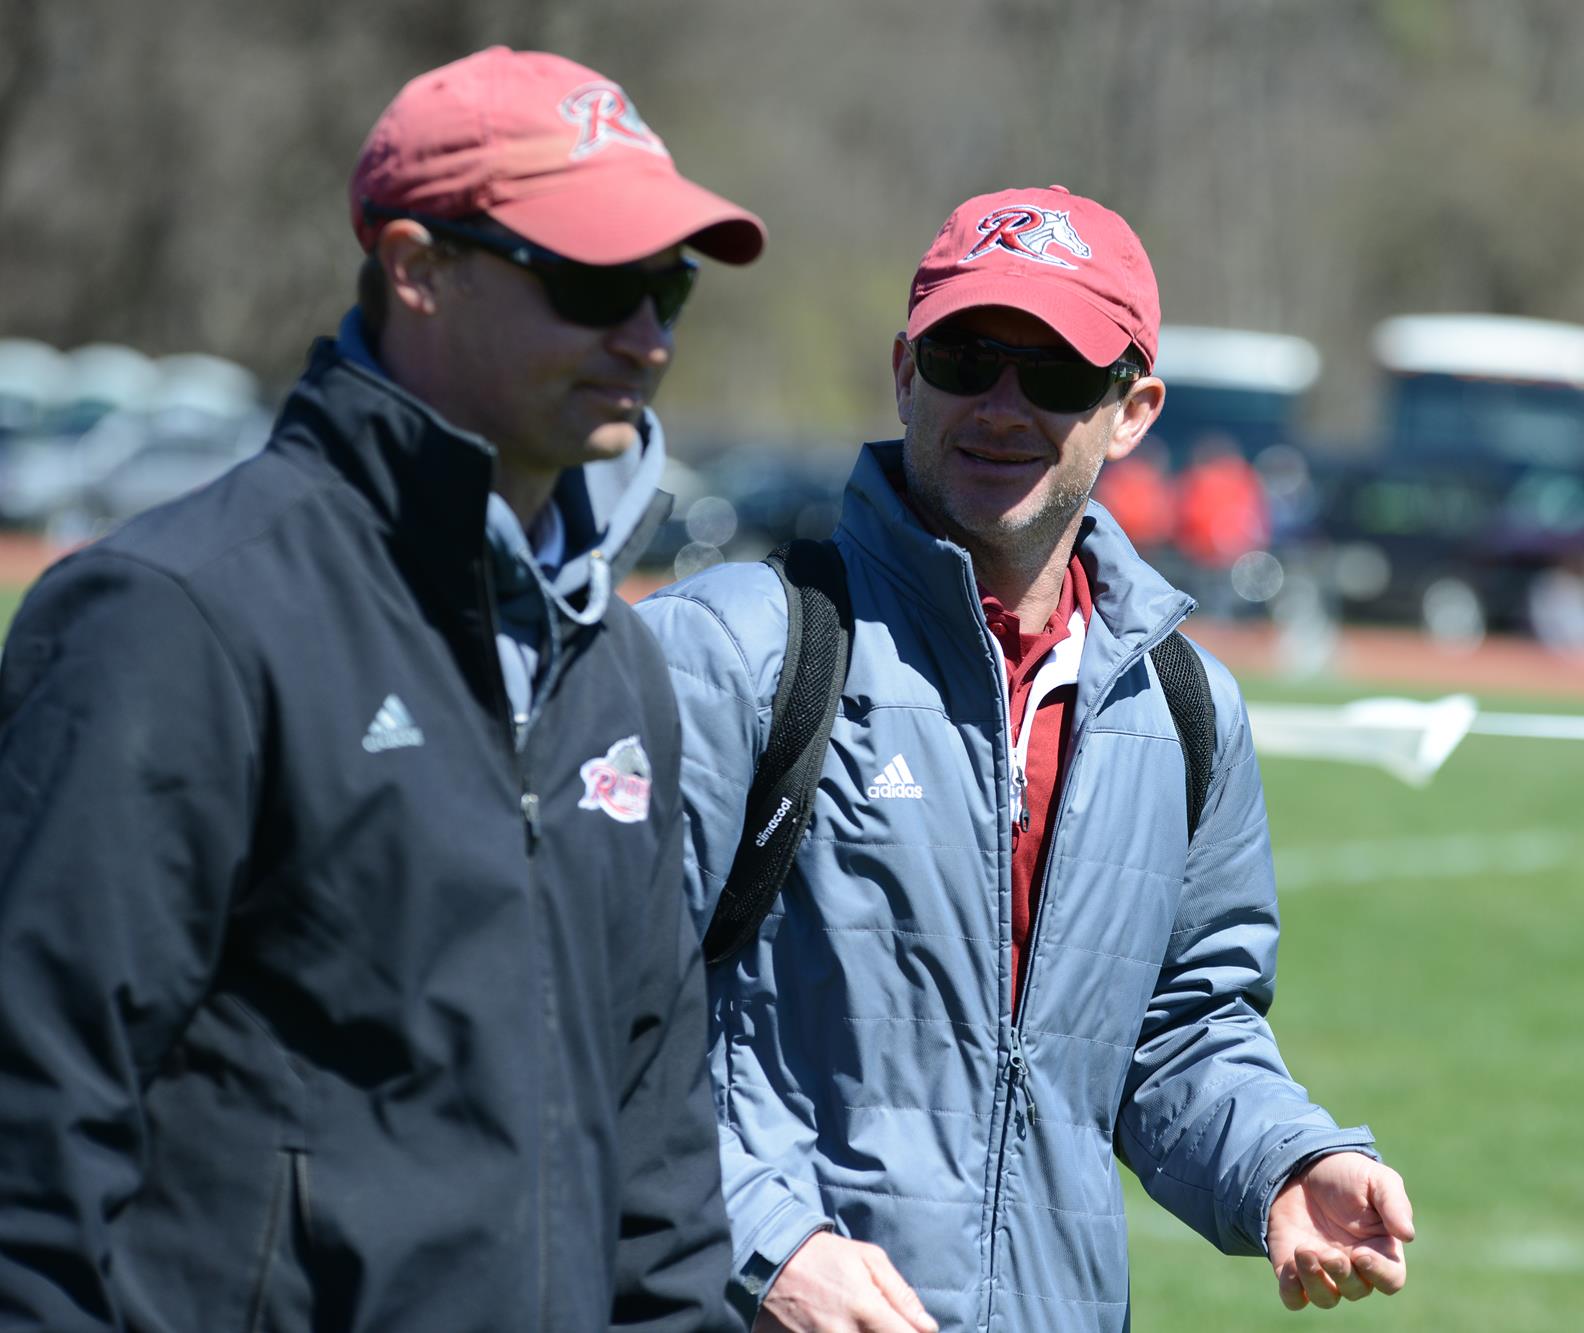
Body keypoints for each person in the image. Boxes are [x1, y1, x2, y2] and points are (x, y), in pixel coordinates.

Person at [0, 47, 762, 1330]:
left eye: (666, 285)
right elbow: (29, 1157)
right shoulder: (172, 616)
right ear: (416, 267)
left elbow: (661, 1185)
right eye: (591, 280)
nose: (644, 334)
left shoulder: (619, 664)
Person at [638, 186, 1413, 1331]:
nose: (1000, 405)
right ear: (905, 370)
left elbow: (1181, 1028)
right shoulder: (734, 647)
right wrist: (761, 1240)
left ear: (1132, 409)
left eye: (1053, 373)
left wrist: (1278, 1161)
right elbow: (591, 1003)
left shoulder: (1184, 706)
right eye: (966, 355)